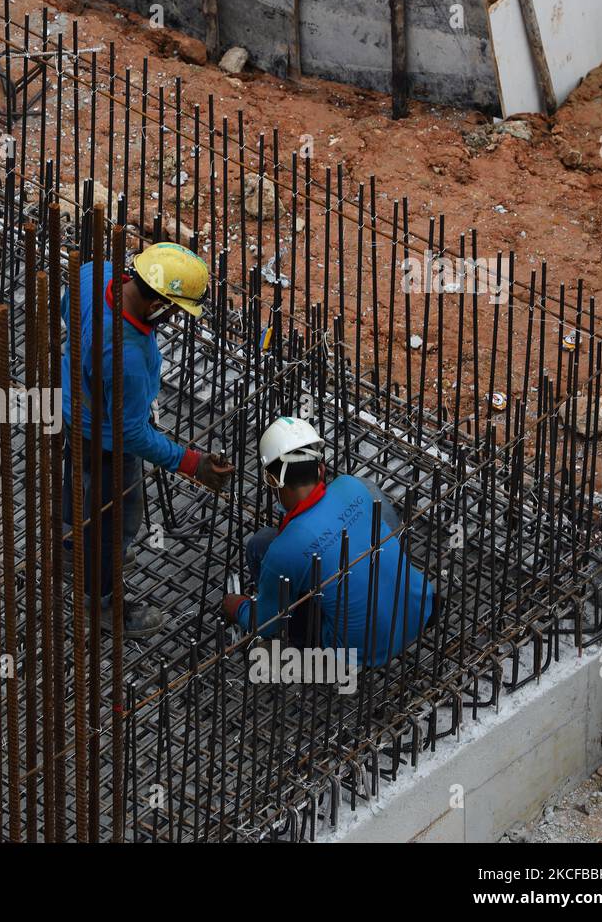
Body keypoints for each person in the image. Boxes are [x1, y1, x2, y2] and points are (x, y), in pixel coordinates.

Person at [61, 242, 232, 639]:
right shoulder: (129, 357)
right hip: (103, 437)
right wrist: (192, 464)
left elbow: (67, 304)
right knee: (116, 521)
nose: (173, 317)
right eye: (174, 309)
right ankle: (101, 603)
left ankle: (72, 551)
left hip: (69, 407)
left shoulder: (94, 273)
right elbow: (133, 433)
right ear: (157, 301)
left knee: (77, 479)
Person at [221, 416, 433, 667]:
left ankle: (294, 644)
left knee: (260, 546)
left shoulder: (283, 551)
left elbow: (266, 623)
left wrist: (238, 609)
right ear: (320, 469)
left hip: (358, 655)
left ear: (272, 481)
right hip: (421, 611)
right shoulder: (352, 486)